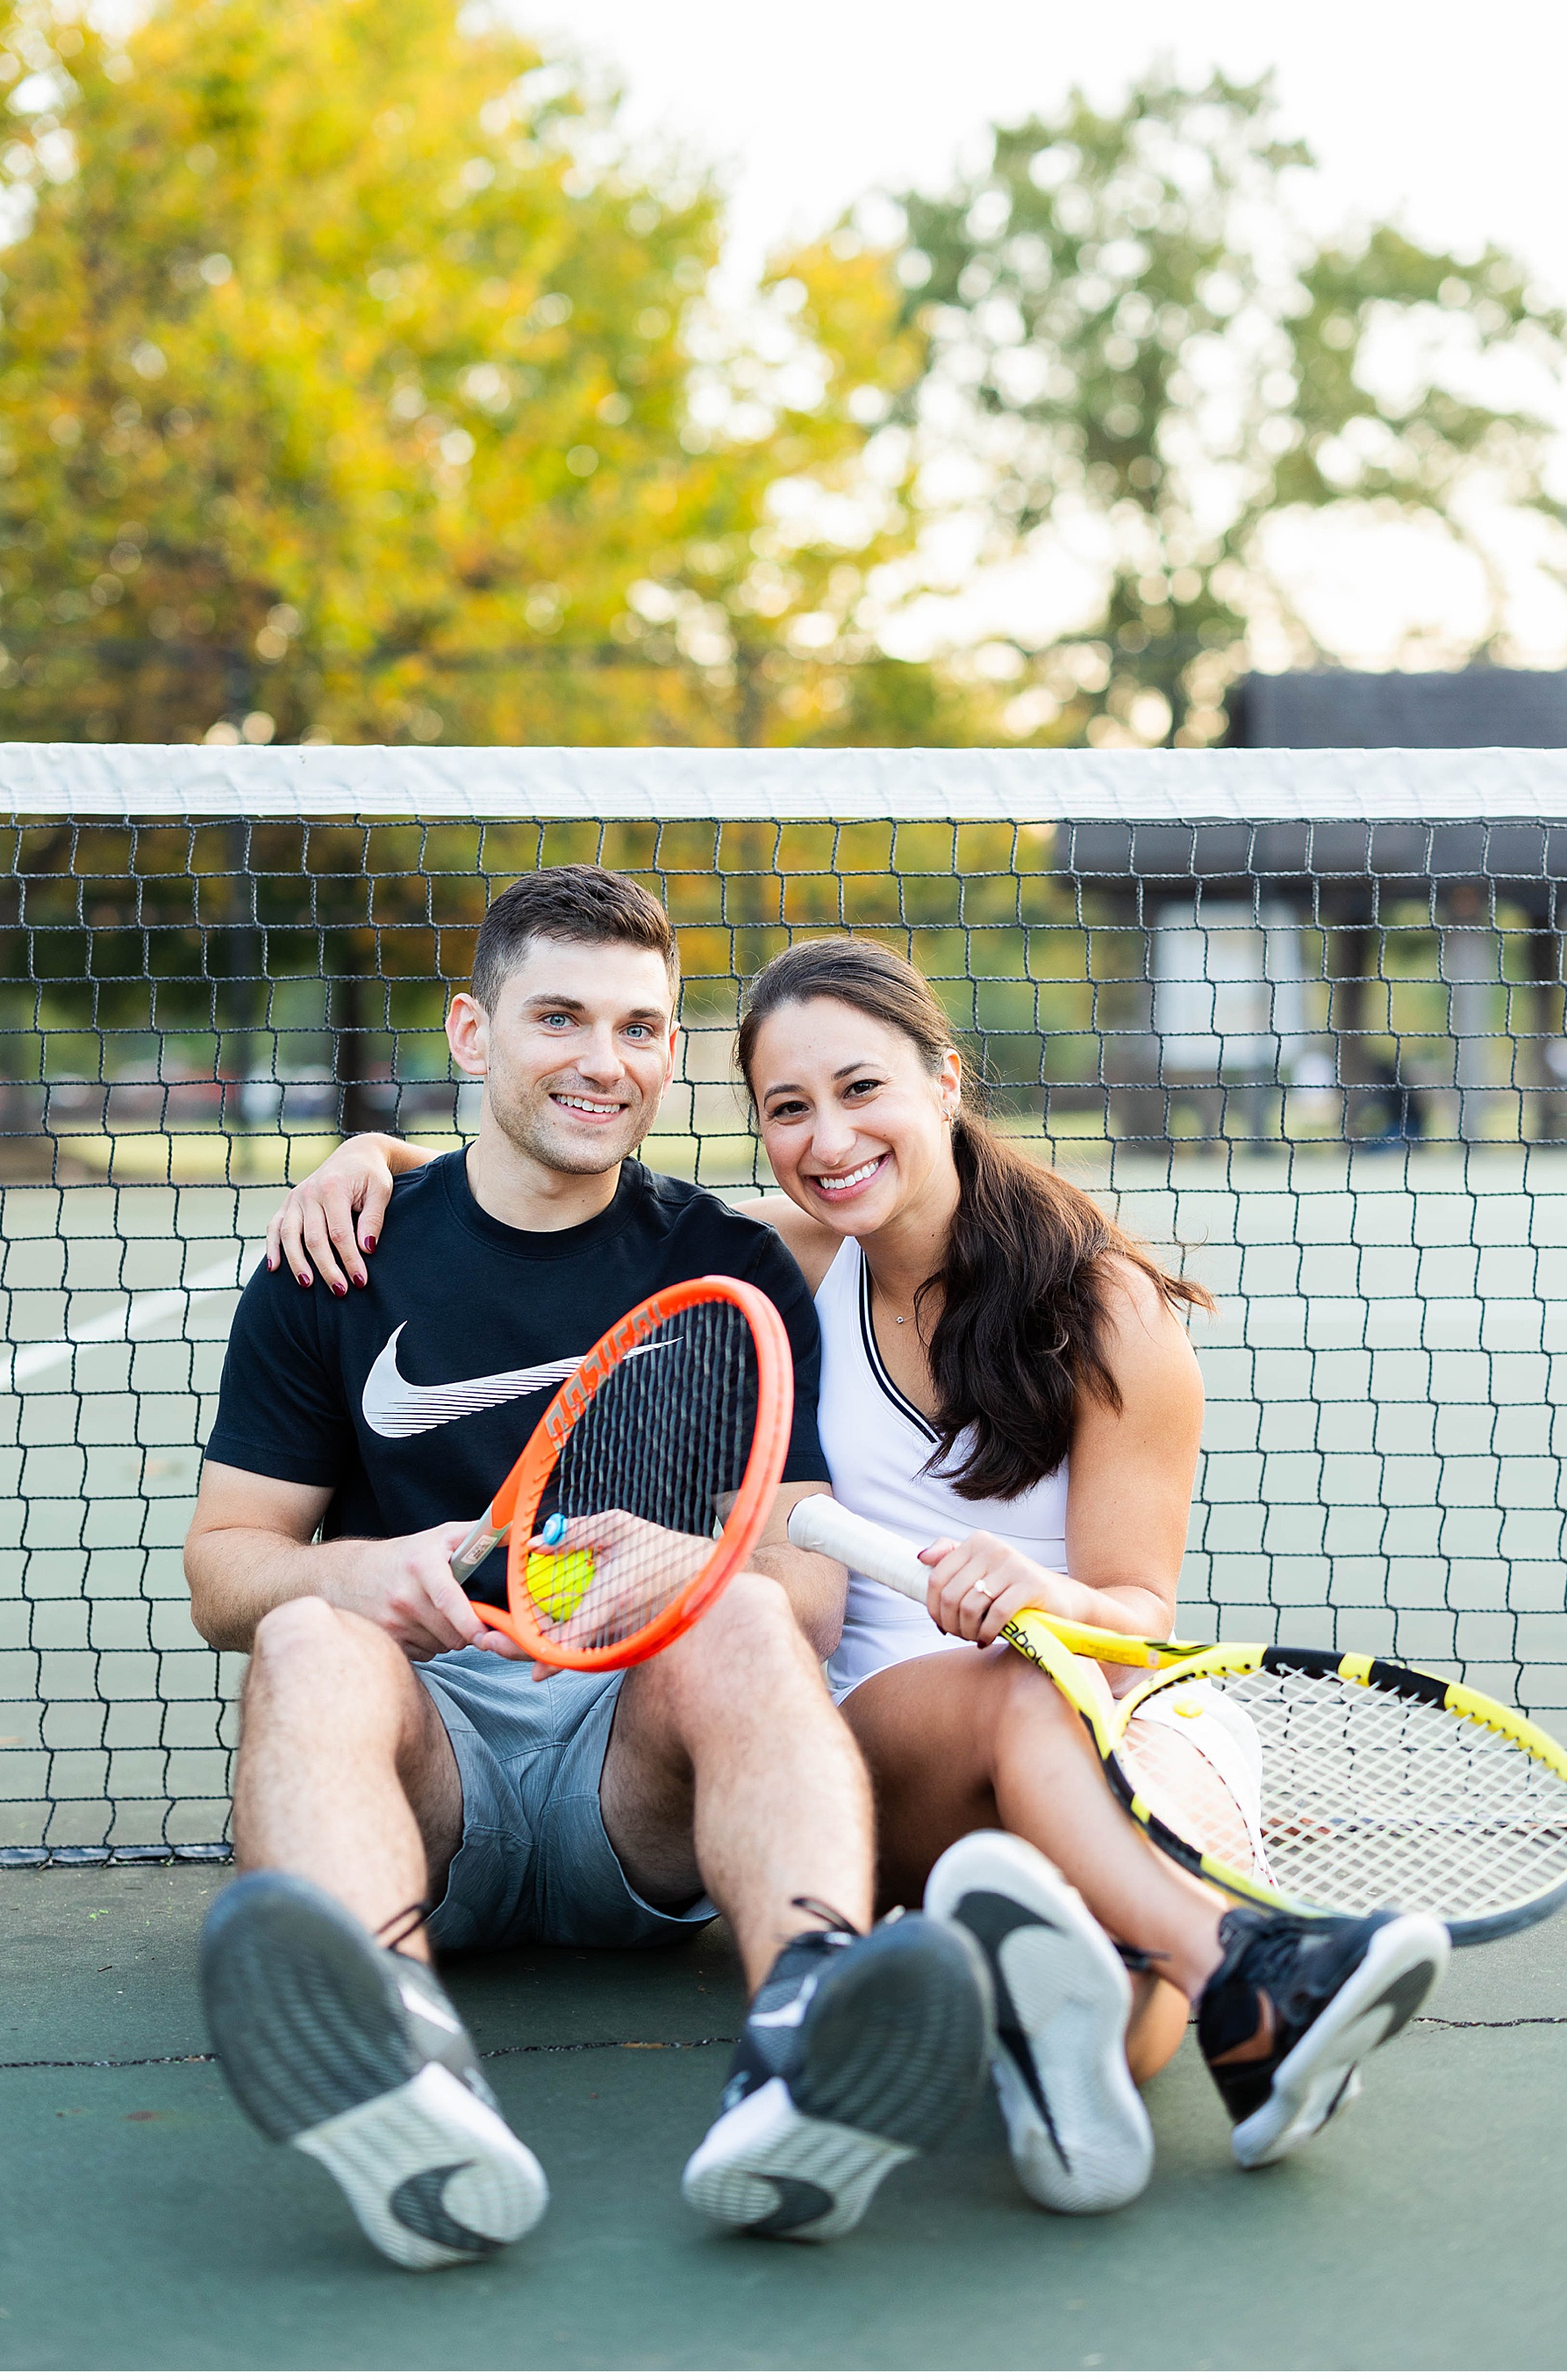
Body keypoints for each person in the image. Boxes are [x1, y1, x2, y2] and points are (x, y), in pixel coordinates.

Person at [274, 925, 1451, 2224]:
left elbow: (1135, 1618)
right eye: (789, 1108)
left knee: (1121, 1940)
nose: (828, 1140)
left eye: (861, 1089)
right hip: (902, 1735)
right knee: (1011, 1698)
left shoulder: (1112, 1315)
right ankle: (1249, 1969)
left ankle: (1076, 2046)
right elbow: (546, 1175)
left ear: (945, 1079)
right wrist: (375, 1158)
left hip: (1104, 1691)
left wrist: (1043, 1595)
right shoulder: (794, 1260)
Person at [187, 872, 990, 2274]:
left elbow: (808, 1589)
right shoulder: (338, 1257)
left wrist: (697, 1562)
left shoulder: (725, 1258)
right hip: (427, 1777)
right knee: (309, 1636)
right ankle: (399, 2064)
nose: (601, 1061)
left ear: (673, 1052)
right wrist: (361, 1572)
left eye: (639, 1026)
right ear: (473, 1031)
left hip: (637, 1786)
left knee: (743, 1605)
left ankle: (810, 2042)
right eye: (558, 1015)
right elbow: (223, 1570)